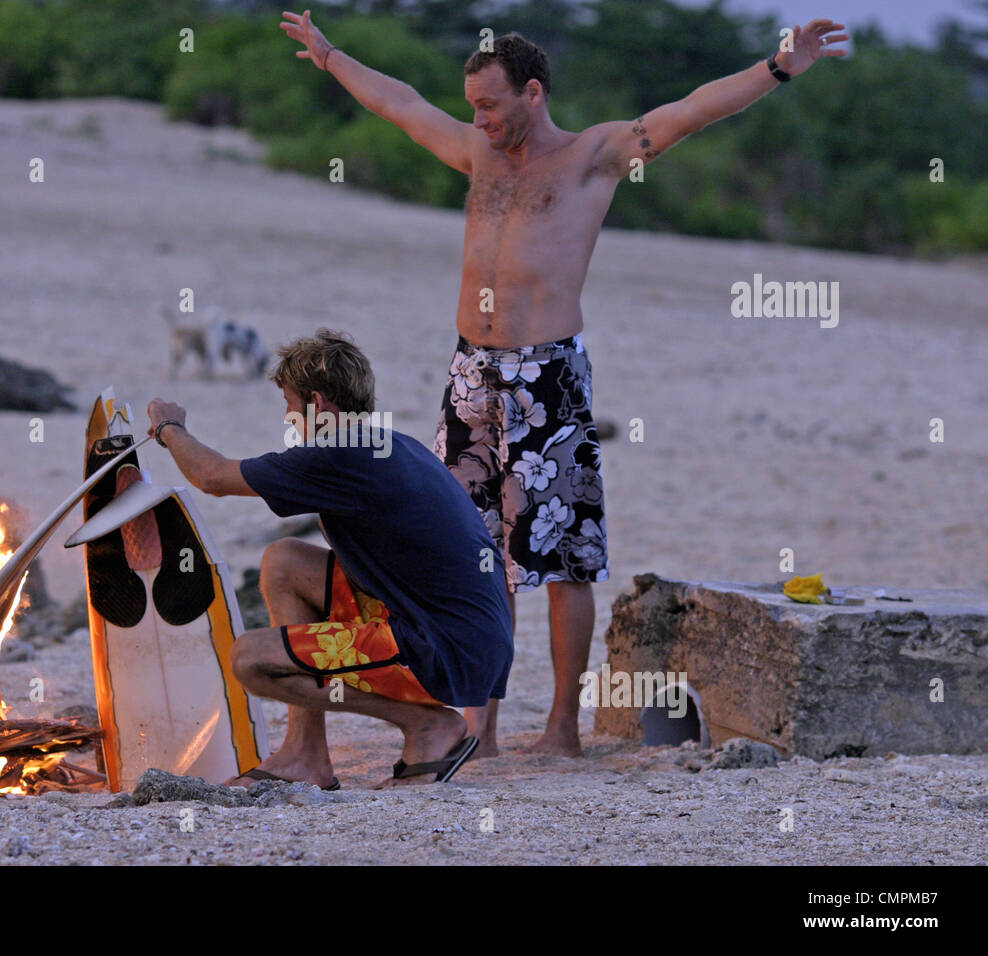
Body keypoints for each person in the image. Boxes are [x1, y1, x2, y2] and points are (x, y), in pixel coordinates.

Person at [280, 9, 847, 756]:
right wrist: (330, 57)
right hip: (469, 372)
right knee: (474, 553)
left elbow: (692, 111)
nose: (476, 119)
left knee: (560, 558)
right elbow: (401, 103)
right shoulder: (476, 152)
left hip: (546, 376)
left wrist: (778, 66)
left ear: (534, 92)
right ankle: (477, 727)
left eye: (489, 105)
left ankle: (561, 730)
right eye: (472, 104)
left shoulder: (593, 155)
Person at [145, 329, 512, 786]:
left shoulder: (338, 455)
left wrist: (168, 427)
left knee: (251, 660)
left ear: (316, 402)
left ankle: (428, 724)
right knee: (285, 560)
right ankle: (304, 754)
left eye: (289, 403)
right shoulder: (389, 444)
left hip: (445, 651)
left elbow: (213, 477)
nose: (288, 417)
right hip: (469, 638)